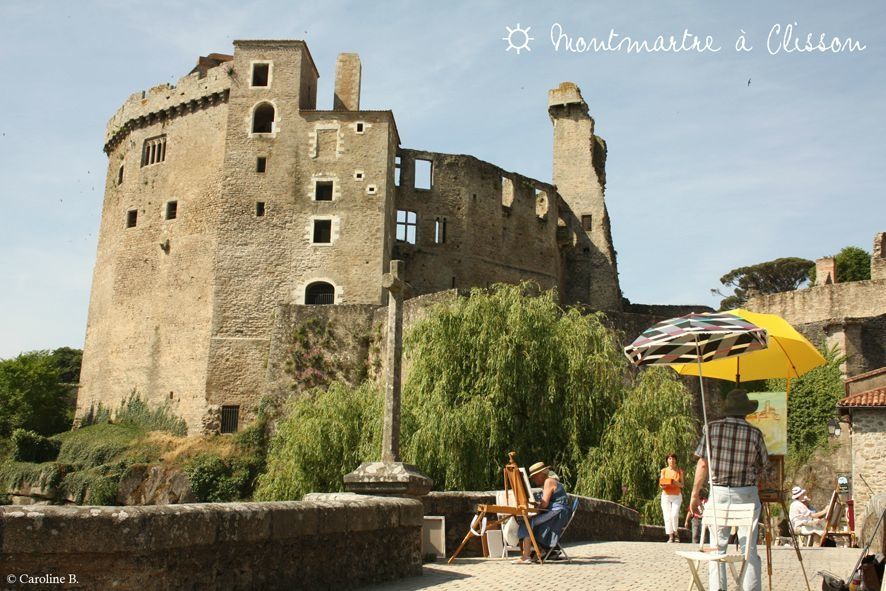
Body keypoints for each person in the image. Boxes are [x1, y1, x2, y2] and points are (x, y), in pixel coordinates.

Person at [689, 389, 769, 591]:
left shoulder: (712, 429)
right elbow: (763, 466)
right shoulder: (755, 433)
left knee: (717, 547)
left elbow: (703, 464)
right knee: (748, 549)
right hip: (747, 495)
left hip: (719, 493)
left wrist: (694, 495)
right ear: (745, 411)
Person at [512, 461, 571, 564]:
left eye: (534, 477)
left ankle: (526, 556)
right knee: (531, 522)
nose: (534, 480)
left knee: (528, 523)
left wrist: (537, 508)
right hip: (558, 512)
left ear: (540, 474)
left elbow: (544, 504)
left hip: (557, 512)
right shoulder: (550, 481)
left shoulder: (549, 481)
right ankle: (539, 551)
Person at [660, 453, 685, 542]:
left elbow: (682, 485)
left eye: (673, 458)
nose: (672, 460)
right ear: (667, 460)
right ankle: (670, 536)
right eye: (670, 459)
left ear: (676, 460)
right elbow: (661, 484)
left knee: (674, 515)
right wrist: (666, 483)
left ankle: (676, 532)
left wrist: (674, 482)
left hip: (676, 495)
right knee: (667, 516)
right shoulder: (664, 470)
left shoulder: (679, 471)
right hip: (666, 495)